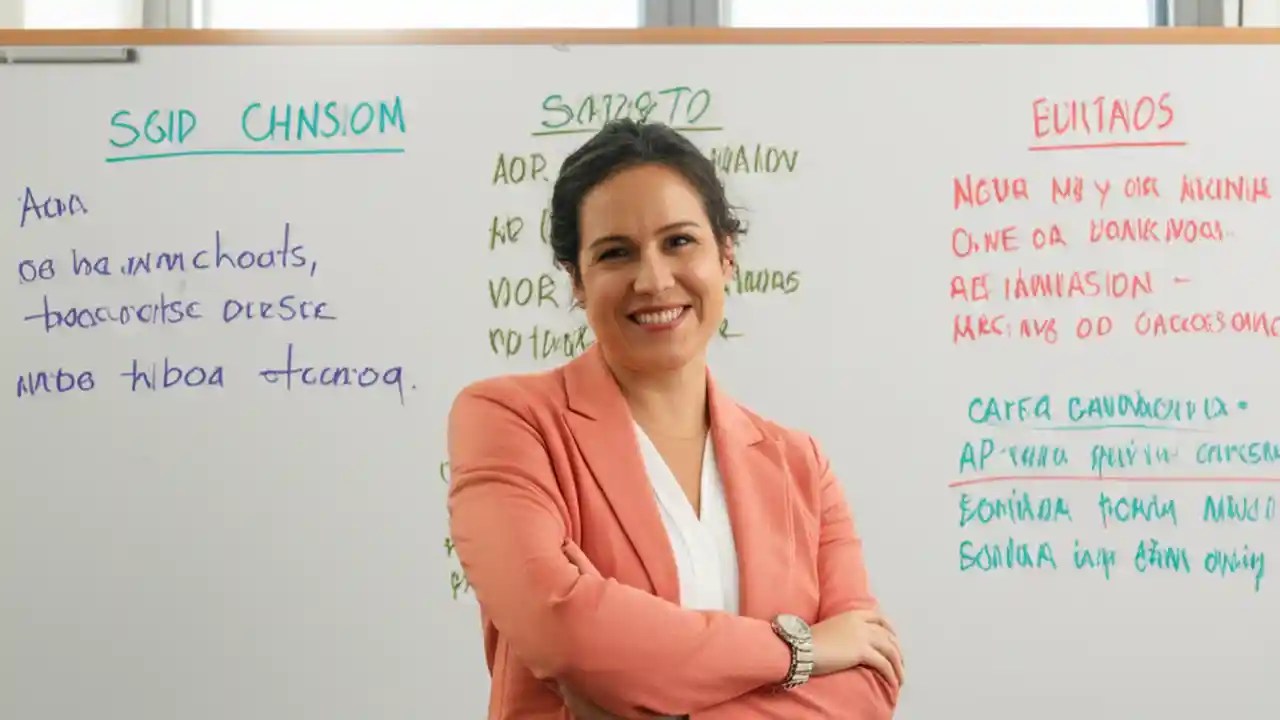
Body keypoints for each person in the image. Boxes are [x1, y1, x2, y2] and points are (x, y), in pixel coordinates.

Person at [447, 118, 904, 719]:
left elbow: (866, 683)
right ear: (577, 281)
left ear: (727, 256)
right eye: (616, 253)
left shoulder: (802, 467)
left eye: (679, 242)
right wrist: (803, 651)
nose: (654, 279)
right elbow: (566, 632)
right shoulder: (509, 421)